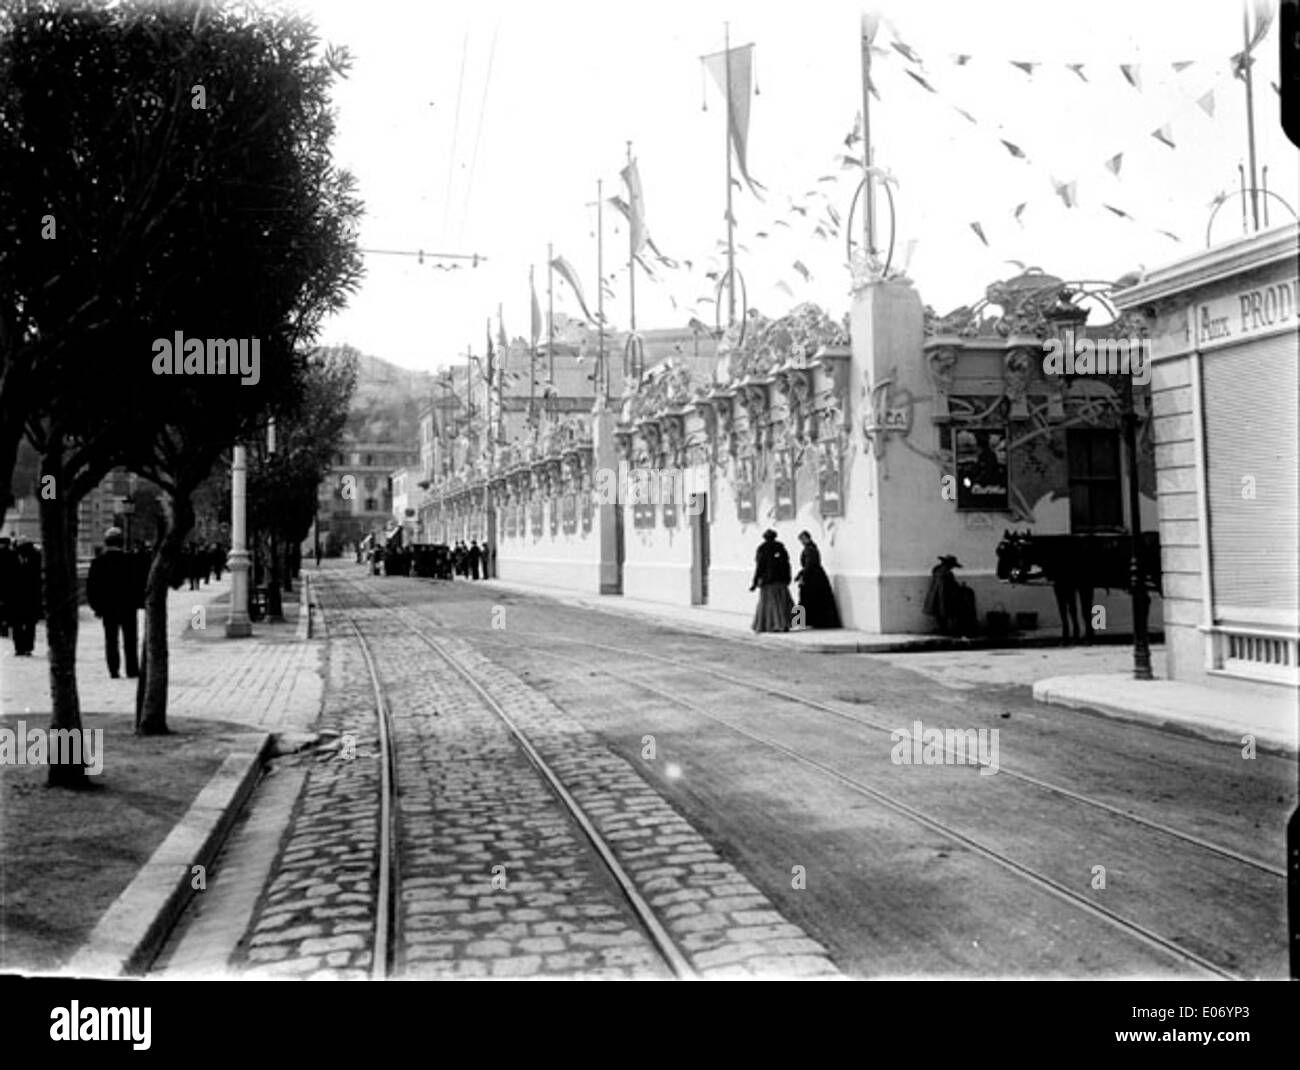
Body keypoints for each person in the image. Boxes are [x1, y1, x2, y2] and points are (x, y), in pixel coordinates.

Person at [87, 526, 141, 678]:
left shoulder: (98, 563)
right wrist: (138, 603)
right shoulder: (130, 560)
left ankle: (114, 670)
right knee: (130, 640)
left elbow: (92, 588)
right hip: (128, 607)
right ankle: (132, 669)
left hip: (108, 608)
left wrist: (97, 607)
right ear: (121, 542)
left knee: (111, 640)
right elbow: (137, 584)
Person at [794, 531, 842, 629]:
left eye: (802, 539)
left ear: (806, 538)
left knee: (806, 599)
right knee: (816, 600)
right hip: (816, 577)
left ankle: (802, 622)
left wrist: (802, 575)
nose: (801, 542)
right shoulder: (812, 548)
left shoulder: (809, 550)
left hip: (812, 578)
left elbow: (809, 565)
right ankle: (811, 621)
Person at [750, 529, 793, 633]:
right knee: (783, 603)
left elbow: (760, 567)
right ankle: (785, 624)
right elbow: (787, 564)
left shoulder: (762, 548)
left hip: (768, 581)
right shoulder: (781, 547)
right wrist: (788, 578)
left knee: (770, 605)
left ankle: (772, 625)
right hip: (781, 580)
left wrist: (755, 582)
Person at [8, 536, 42, 656]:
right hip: (30, 595)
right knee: (28, 624)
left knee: (19, 623)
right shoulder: (35, 556)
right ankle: (27, 647)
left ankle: (20, 647)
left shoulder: (13, 556)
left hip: (18, 596)